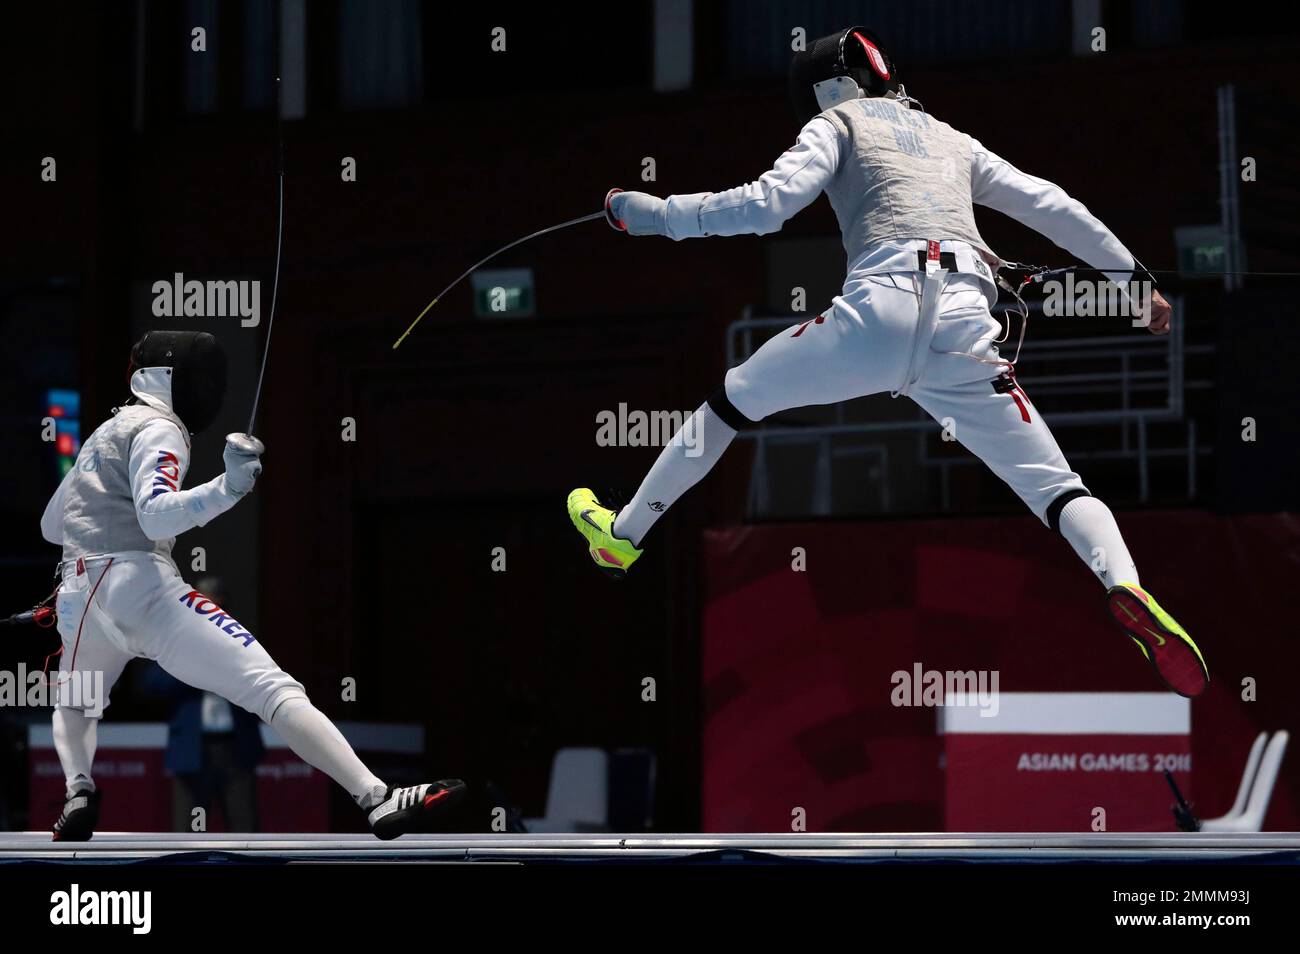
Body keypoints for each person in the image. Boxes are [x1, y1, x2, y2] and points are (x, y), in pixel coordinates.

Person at [567, 27, 1208, 698]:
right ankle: (1125, 585)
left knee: (731, 401)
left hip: (876, 315)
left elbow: (766, 206)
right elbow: (1052, 203)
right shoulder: (952, 139)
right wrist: (1132, 281)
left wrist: (655, 216)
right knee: (1058, 488)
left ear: (825, 91)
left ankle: (624, 535)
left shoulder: (837, 123)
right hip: (964, 328)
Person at [40, 330, 464, 840]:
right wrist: (230, 486)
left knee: (76, 701)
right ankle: (376, 800)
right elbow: (154, 518)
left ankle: (79, 790)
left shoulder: (100, 437)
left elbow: (50, 525)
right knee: (271, 688)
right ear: (172, 381)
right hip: (140, 587)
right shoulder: (159, 427)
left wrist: (85, 568)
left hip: (78, 596)